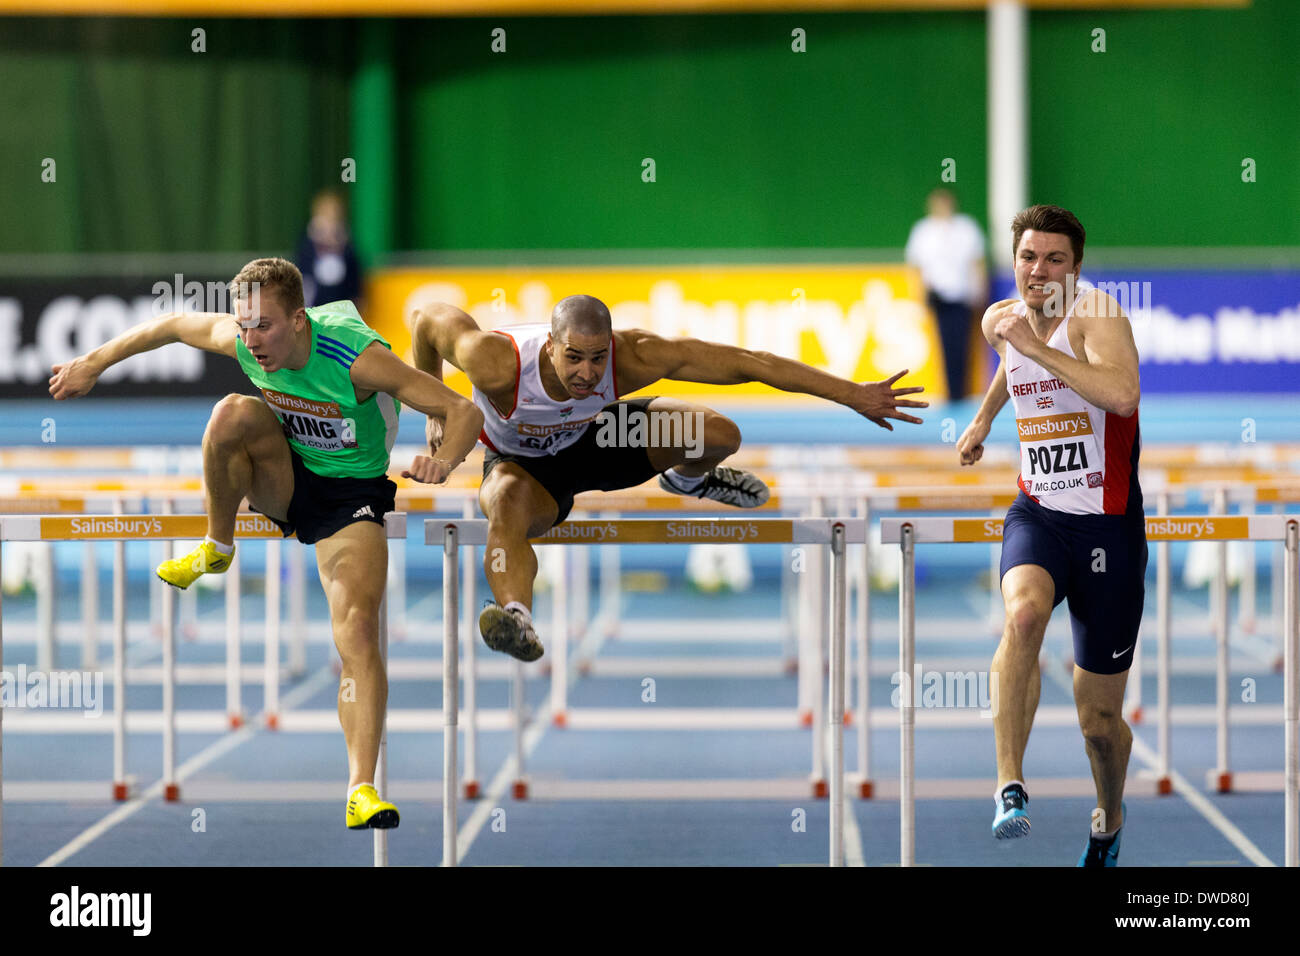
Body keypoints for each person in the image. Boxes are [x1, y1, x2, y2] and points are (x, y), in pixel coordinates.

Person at [48, 257, 484, 834]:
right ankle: (217, 545)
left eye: (265, 328)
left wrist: (445, 459)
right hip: (286, 475)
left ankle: (360, 787)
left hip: (351, 494)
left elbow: (462, 409)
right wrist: (91, 363)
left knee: (356, 628)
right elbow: (171, 324)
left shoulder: (356, 358)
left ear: (299, 321)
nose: (252, 343)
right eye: (244, 326)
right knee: (231, 412)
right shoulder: (243, 338)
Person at [407, 294, 928, 662]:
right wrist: (435, 405)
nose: (588, 373)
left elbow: (750, 362)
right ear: (549, 346)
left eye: (597, 358)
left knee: (718, 433)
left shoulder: (633, 356)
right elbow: (426, 320)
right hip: (524, 466)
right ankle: (516, 616)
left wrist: (851, 394)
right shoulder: (494, 362)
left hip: (600, 439)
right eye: (573, 359)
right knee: (503, 503)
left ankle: (686, 480)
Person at [955, 205, 1145, 867]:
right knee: (1025, 613)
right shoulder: (999, 320)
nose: (1040, 271)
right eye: (1030, 258)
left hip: (1109, 530)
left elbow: (1122, 395)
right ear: (1014, 261)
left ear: (1076, 268)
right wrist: (981, 422)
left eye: (1055, 259)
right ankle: (1011, 785)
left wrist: (1039, 348)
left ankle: (1110, 816)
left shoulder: (1100, 317)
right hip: (1038, 515)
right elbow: (1013, 368)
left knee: (1098, 722)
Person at [905, 188, 988, 402]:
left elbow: (977, 262)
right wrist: (920, 295)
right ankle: (951, 393)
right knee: (945, 345)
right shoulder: (923, 231)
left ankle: (963, 392)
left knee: (963, 345)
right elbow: (916, 266)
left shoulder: (966, 228)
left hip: (961, 296)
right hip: (938, 296)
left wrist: (978, 293)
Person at [295, 189, 365, 312]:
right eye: (325, 216)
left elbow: (355, 282)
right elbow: (302, 276)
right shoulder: (307, 245)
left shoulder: (348, 247)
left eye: (333, 217)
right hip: (314, 309)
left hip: (341, 310)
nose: (329, 221)